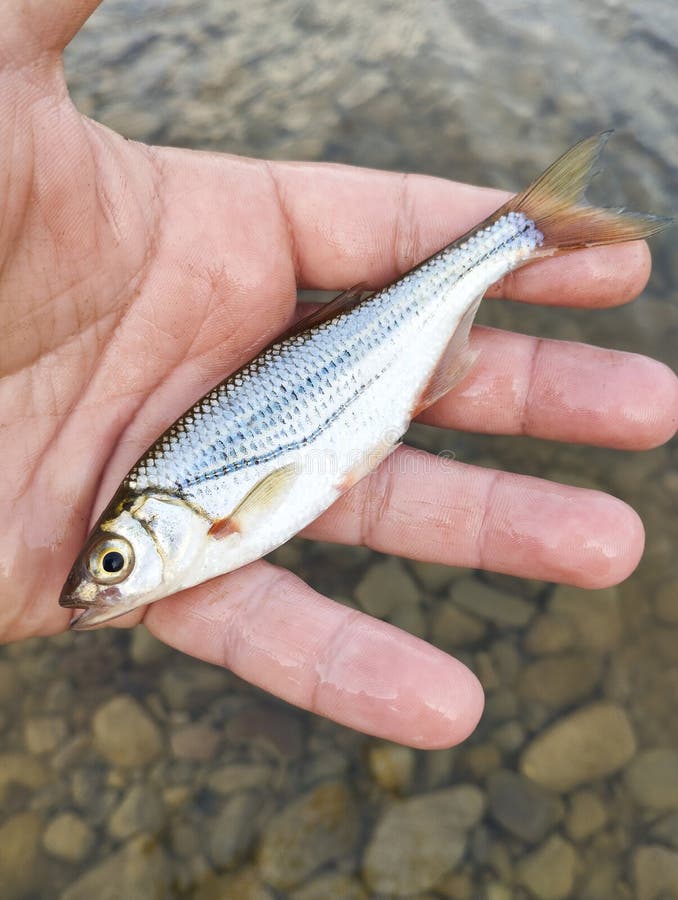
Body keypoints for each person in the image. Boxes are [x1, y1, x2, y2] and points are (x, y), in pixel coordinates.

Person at [0, 1, 676, 749]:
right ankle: (525, 229)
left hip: (357, 377)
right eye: (113, 566)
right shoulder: (187, 525)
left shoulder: (202, 520)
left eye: (113, 561)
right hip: (356, 380)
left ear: (155, 524)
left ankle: (522, 231)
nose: (109, 584)